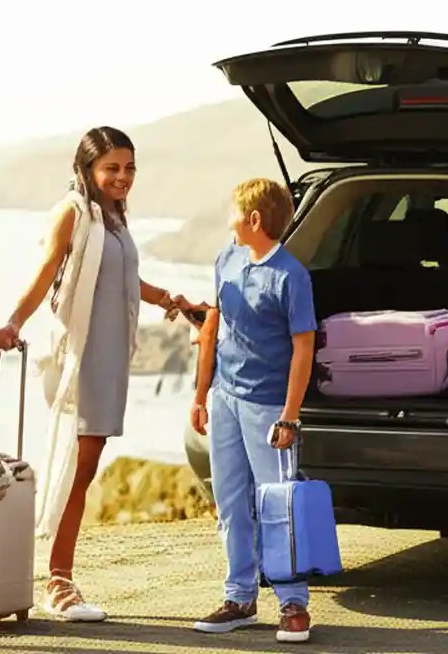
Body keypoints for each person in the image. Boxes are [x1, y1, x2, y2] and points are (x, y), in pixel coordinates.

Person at [0, 126, 184, 622]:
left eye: (129, 168)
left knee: (85, 465)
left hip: (111, 356)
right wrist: (13, 322)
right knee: (75, 466)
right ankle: (58, 582)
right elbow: (44, 272)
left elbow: (119, 276)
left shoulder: (113, 218)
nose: (122, 177)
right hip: (80, 356)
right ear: (88, 169)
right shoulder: (74, 213)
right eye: (111, 168)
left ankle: (57, 576)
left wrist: (163, 297)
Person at [186, 178, 317, 644]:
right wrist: (202, 393)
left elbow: (304, 349)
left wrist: (290, 414)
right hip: (225, 400)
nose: (229, 220)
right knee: (230, 504)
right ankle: (240, 598)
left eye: (234, 212)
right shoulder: (227, 259)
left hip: (268, 410)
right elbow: (212, 330)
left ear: (254, 220)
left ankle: (293, 603)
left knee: (277, 505)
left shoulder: (291, 277)